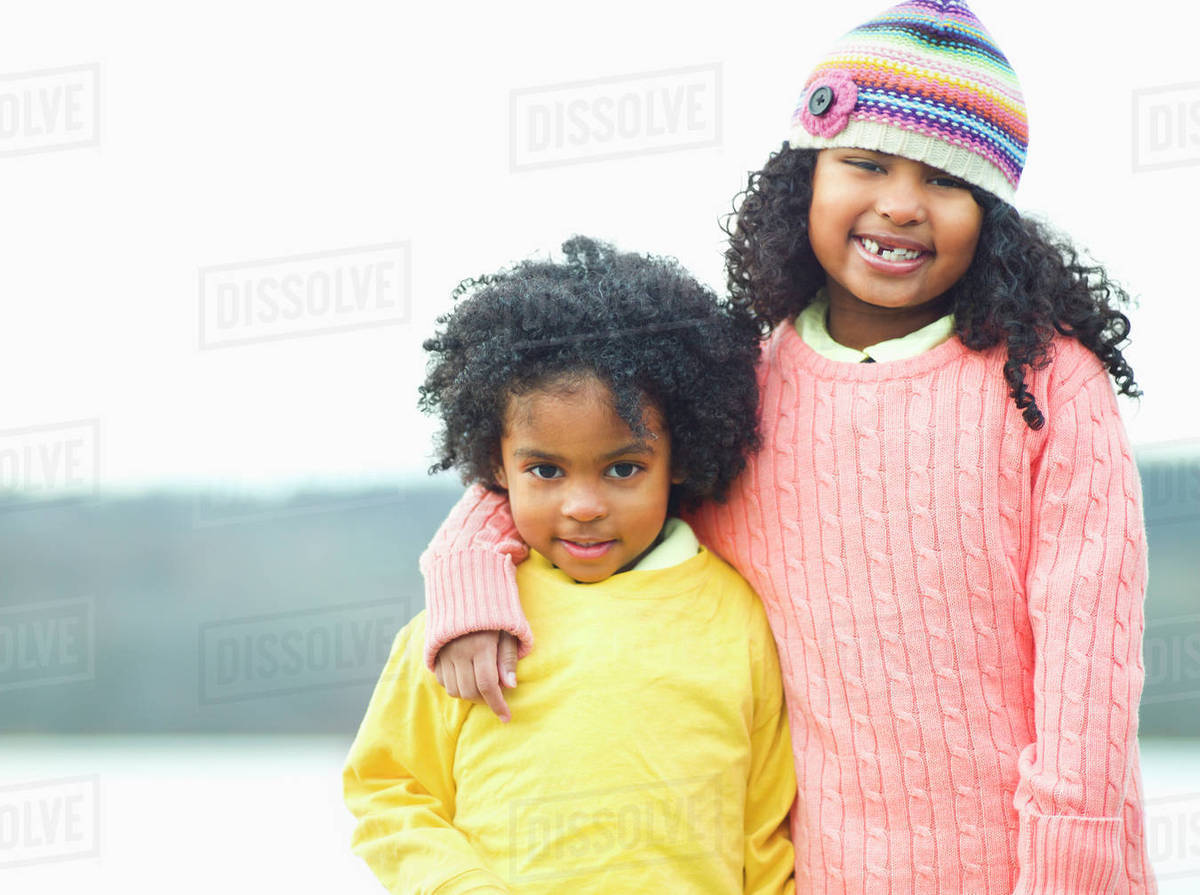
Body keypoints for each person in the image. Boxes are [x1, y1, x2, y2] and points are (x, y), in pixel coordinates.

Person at [415, 2, 1158, 892]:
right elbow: (576, 468)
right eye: (865, 163)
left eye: (944, 178)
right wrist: (467, 570)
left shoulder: (1048, 386)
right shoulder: (743, 387)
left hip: (1042, 870)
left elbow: (1090, 671)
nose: (900, 204)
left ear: (991, 214)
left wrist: (1068, 877)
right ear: (805, 176)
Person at [342, 236, 797, 894]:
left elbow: (765, 830)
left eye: (623, 468)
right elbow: (388, 789)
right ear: (498, 465)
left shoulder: (736, 617)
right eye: (546, 470)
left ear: (680, 457)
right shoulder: (465, 626)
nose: (583, 506)